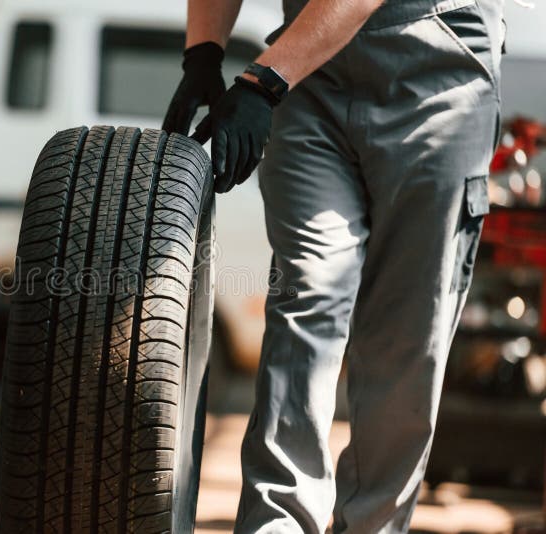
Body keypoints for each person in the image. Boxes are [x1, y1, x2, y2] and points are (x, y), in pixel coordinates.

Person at [162, 0, 505, 531]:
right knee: (307, 295)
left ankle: (372, 524)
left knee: (407, 333)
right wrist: (203, 54)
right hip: (310, 72)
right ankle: (277, 523)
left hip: (437, 70)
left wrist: (263, 81)